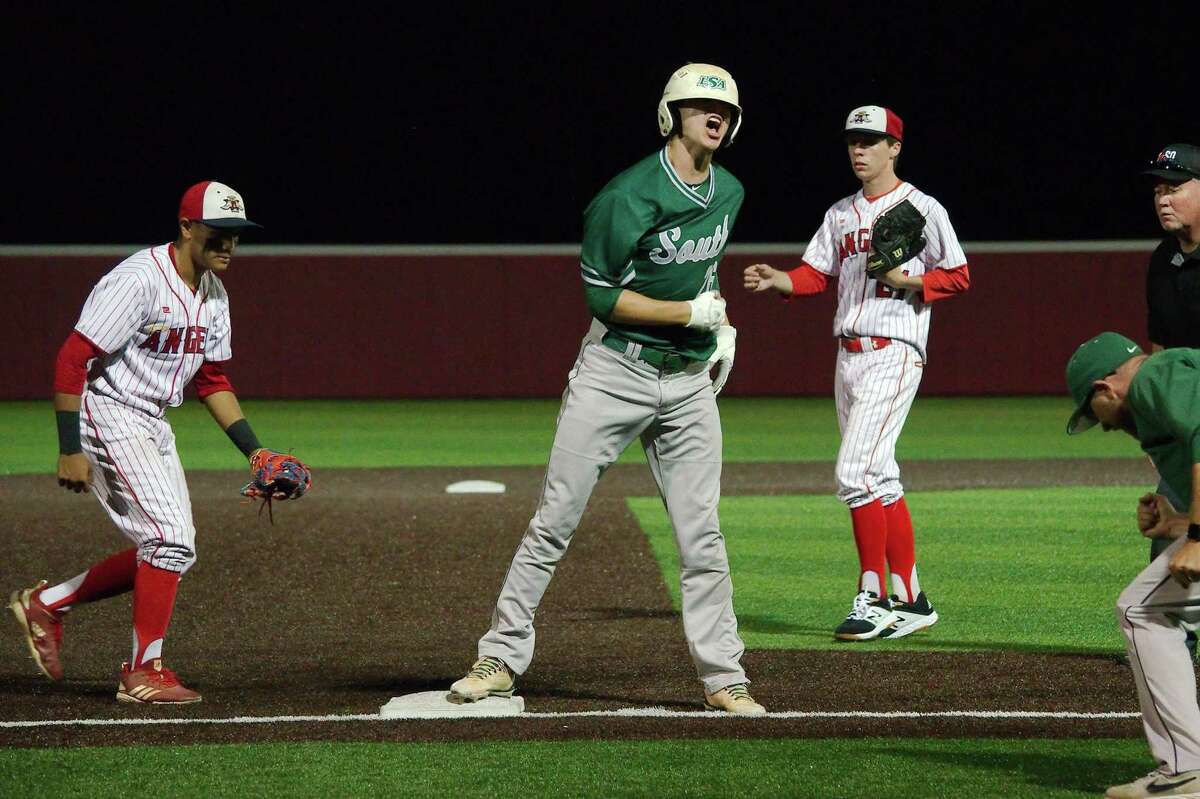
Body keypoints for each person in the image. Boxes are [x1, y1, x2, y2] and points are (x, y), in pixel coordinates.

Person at [449, 64, 764, 715]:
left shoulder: (729, 191)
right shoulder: (627, 196)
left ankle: (723, 675)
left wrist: (720, 320)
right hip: (614, 373)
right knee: (554, 520)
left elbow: (700, 275)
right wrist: (687, 316)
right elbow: (602, 295)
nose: (716, 114)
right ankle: (500, 656)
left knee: (702, 533)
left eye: (725, 108)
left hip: (685, 383)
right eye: (701, 103)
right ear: (670, 113)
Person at [8, 181, 288, 704]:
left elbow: (211, 380)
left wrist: (255, 451)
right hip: (108, 411)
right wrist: (69, 448)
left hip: (152, 420)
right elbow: (72, 359)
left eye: (236, 235)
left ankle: (48, 603)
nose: (228, 245)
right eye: (218, 232)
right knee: (169, 539)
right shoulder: (139, 281)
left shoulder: (214, 294)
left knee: (173, 550)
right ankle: (143, 672)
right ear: (186, 227)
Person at [742, 106, 969, 641]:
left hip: (894, 347)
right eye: (853, 140)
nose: (859, 149)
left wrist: (906, 278)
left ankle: (875, 597)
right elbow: (816, 274)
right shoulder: (839, 214)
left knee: (854, 474)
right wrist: (780, 279)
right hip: (848, 354)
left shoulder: (923, 207)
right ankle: (913, 600)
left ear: (895, 147)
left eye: (871, 140)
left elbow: (958, 276)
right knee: (880, 477)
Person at [1065, 332, 1200, 799]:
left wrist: (1197, 537)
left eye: (1092, 412)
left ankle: (1186, 771)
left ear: (1105, 388)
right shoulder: (1170, 382)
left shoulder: (1153, 377)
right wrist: (1182, 521)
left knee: (1143, 610)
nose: (1100, 425)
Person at [1141, 144, 1200, 573]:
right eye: (1159, 188)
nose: (1163, 198)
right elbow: (1160, 351)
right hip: (1186, 428)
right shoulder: (1163, 260)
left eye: (1176, 187)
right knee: (1168, 549)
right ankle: (1176, 639)